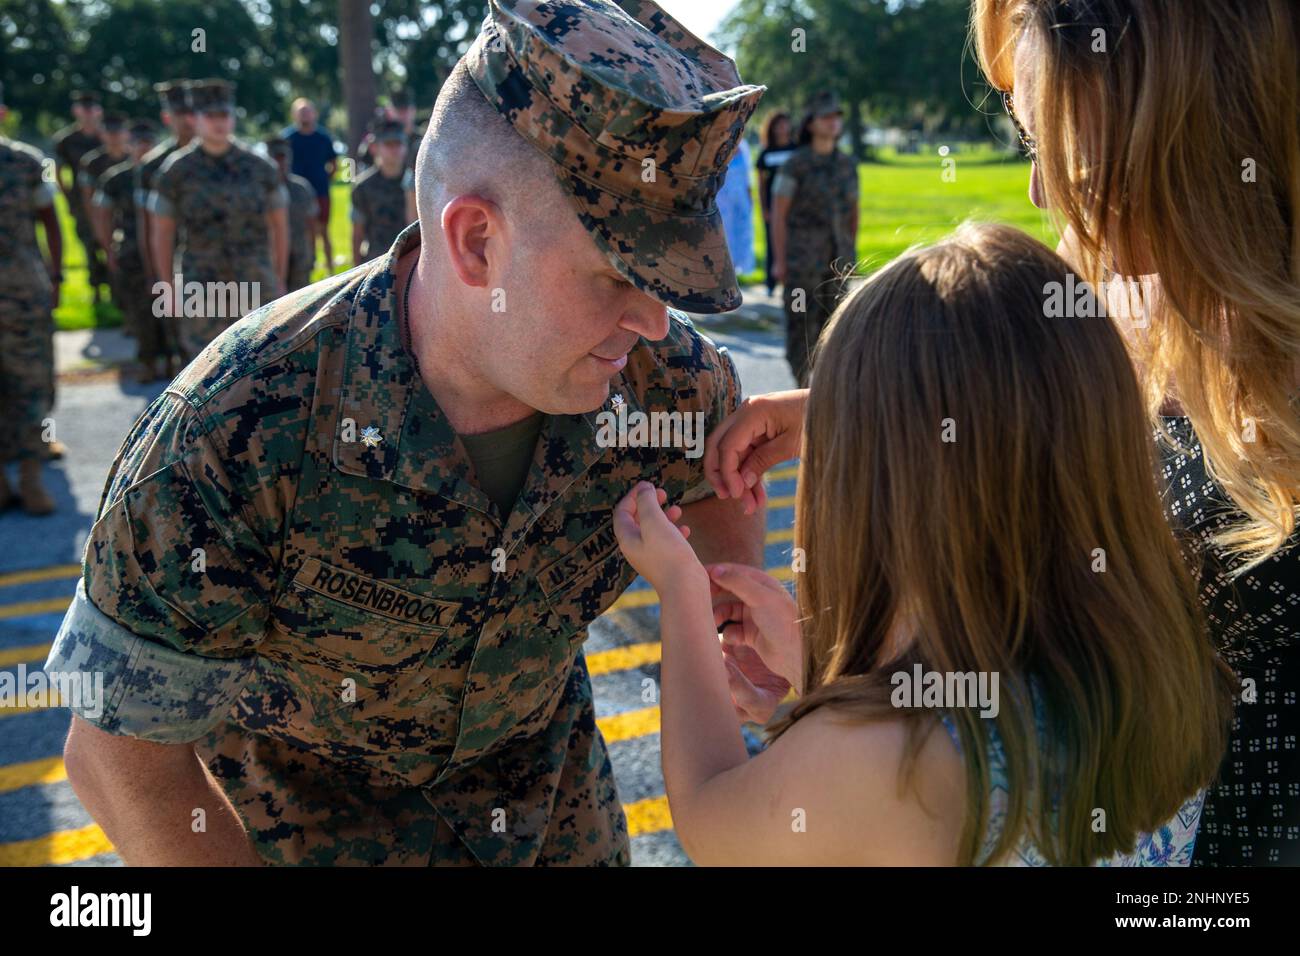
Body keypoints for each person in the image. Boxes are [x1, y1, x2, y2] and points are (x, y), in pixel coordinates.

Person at [46, 0, 766, 867]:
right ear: (474, 242)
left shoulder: (672, 383)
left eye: (667, 283)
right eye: (618, 277)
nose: (654, 321)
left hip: (554, 824)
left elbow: (727, 521)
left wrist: (737, 630)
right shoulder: (236, 427)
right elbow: (120, 756)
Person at [617, 223, 1235, 865]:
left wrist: (681, 593)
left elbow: (711, 810)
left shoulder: (888, 758)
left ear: (876, 499)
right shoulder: (1153, 662)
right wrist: (814, 671)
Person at [973, 0, 1300, 866]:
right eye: (1034, 149)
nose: (1043, 194)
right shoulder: (1182, 294)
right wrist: (857, 407)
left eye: (1078, 169)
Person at [148, 79, 288, 360]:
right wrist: (167, 287)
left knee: (260, 365)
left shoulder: (261, 168)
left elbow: (279, 228)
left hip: (255, 285)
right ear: (193, 119)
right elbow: (161, 234)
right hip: (201, 289)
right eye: (210, 116)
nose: (218, 123)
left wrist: (279, 279)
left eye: (223, 115)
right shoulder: (176, 171)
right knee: (203, 371)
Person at [0, 81, 64, 515]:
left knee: (30, 383)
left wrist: (55, 275)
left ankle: (30, 475)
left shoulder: (25, 162)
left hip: (21, 291)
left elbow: (51, 223)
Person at [770, 92, 858, 387]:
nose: (833, 123)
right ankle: (803, 391)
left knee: (835, 332)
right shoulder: (795, 165)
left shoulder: (847, 165)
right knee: (801, 332)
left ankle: (826, 393)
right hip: (801, 264)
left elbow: (853, 214)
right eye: (826, 117)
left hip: (836, 263)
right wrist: (779, 262)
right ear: (810, 124)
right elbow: (778, 215)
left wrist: (850, 253)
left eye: (836, 117)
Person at [94, 120, 172, 383]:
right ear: (130, 146)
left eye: (148, 143)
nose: (144, 149)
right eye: (139, 144)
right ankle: (148, 363)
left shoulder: (165, 174)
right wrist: (108, 249)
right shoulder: (117, 178)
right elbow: (102, 215)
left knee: (170, 310)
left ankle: (173, 361)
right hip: (132, 252)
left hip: (165, 250)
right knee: (141, 312)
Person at [136, 81, 195, 288]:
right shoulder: (152, 166)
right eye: (180, 113)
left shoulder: (224, 158)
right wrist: (157, 276)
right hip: (176, 264)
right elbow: (146, 224)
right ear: (167, 117)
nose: (188, 120)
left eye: (192, 112)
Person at [52, 90, 107, 305]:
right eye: (84, 109)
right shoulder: (67, 140)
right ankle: (96, 290)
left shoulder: (106, 135)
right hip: (81, 201)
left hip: (109, 198)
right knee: (88, 243)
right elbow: (57, 170)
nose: (89, 114)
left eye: (92, 109)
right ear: (77, 112)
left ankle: (115, 288)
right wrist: (67, 197)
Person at [79, 112, 131, 317]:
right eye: (110, 133)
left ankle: (124, 306)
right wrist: (96, 226)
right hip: (99, 218)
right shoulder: (92, 162)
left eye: (118, 133)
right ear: (103, 135)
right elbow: (88, 198)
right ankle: (99, 294)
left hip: (126, 223)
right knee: (98, 258)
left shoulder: (132, 159)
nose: (114, 137)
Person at [350, 119, 413, 265]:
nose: (395, 149)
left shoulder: (415, 183)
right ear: (375, 148)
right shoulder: (363, 187)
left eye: (399, 144)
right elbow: (357, 233)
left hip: (410, 260)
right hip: (376, 262)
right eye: (389, 144)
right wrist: (356, 268)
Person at [285, 97, 337, 272]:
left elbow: (333, 163)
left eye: (307, 111)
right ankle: (307, 267)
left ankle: (331, 270)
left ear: (314, 114)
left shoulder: (323, 138)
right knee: (303, 233)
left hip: (320, 191)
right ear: (294, 115)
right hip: (295, 196)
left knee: (323, 231)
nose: (305, 116)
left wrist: (324, 179)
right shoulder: (287, 139)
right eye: (301, 112)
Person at [265, 137, 319, 293]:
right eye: (275, 158)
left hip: (299, 256)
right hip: (270, 258)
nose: (280, 163)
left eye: (283, 158)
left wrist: (312, 254)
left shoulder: (301, 188)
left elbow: (311, 225)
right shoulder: (260, 189)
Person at [755, 111, 795, 294]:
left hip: (795, 205)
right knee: (772, 243)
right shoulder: (766, 153)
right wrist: (764, 207)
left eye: (785, 124)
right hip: (773, 205)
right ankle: (770, 283)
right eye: (779, 125)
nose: (782, 129)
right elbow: (761, 184)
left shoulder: (797, 150)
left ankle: (792, 282)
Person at [715, 135, 755, 279]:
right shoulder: (719, 145)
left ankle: (737, 272)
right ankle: (724, 273)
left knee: (742, 234)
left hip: (741, 199)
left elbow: (748, 175)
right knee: (725, 235)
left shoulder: (744, 147)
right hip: (722, 199)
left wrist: (750, 197)